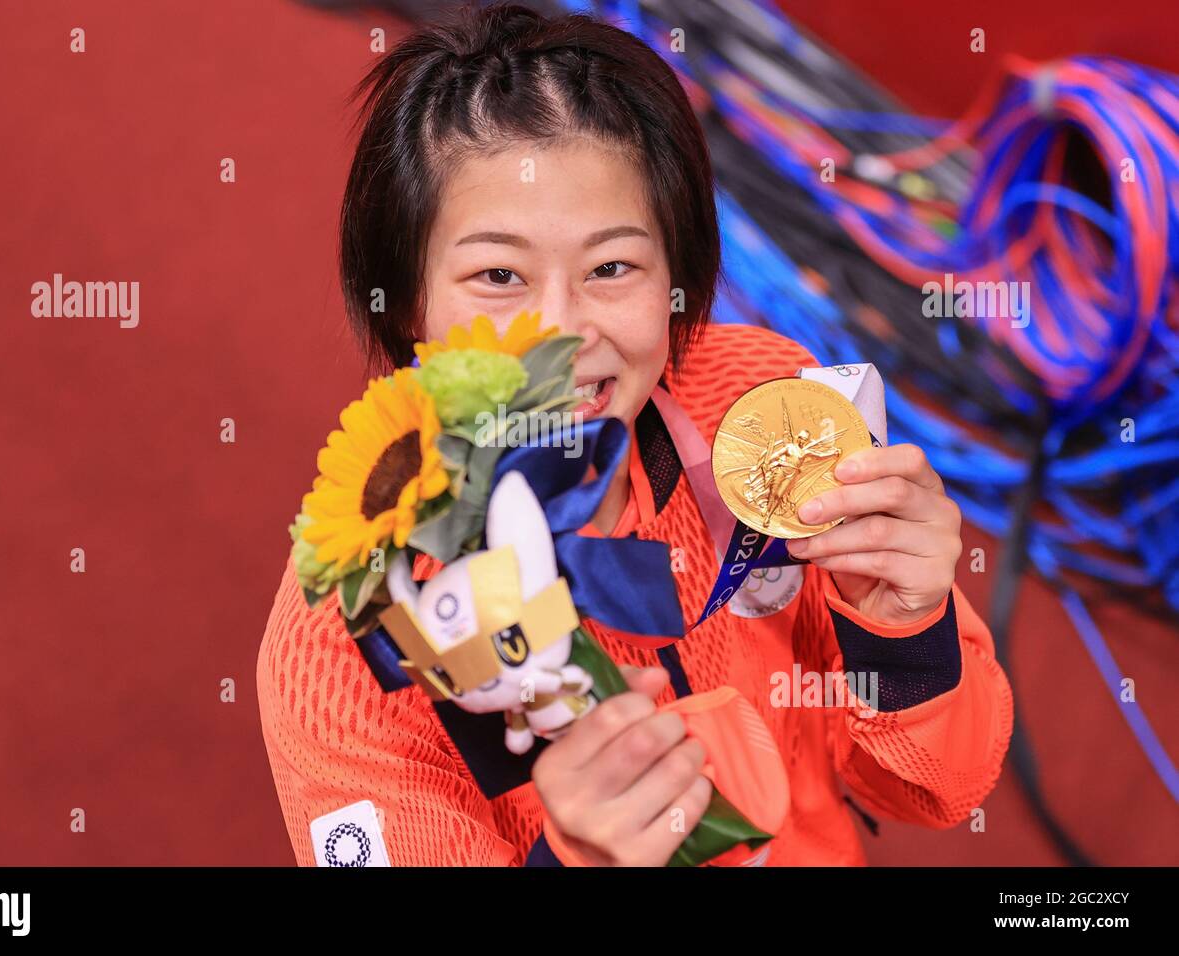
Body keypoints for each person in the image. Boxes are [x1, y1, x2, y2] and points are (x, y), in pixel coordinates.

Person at [257, 2, 1013, 866]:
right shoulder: (343, 648)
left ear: (679, 279)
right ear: (408, 303)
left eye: (612, 267)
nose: (562, 333)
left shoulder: (762, 408)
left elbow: (931, 788)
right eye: (498, 274)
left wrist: (901, 631)